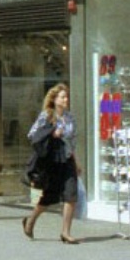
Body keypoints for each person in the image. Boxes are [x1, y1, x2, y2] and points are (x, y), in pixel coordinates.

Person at [23, 83, 82, 244]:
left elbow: (72, 142)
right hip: (53, 161)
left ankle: (66, 232)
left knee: (71, 196)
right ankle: (30, 220)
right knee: (49, 198)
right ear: (55, 99)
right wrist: (52, 133)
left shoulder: (70, 118)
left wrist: (76, 162)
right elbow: (33, 135)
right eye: (62, 97)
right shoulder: (46, 115)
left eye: (67, 97)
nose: (66, 99)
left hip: (67, 159)